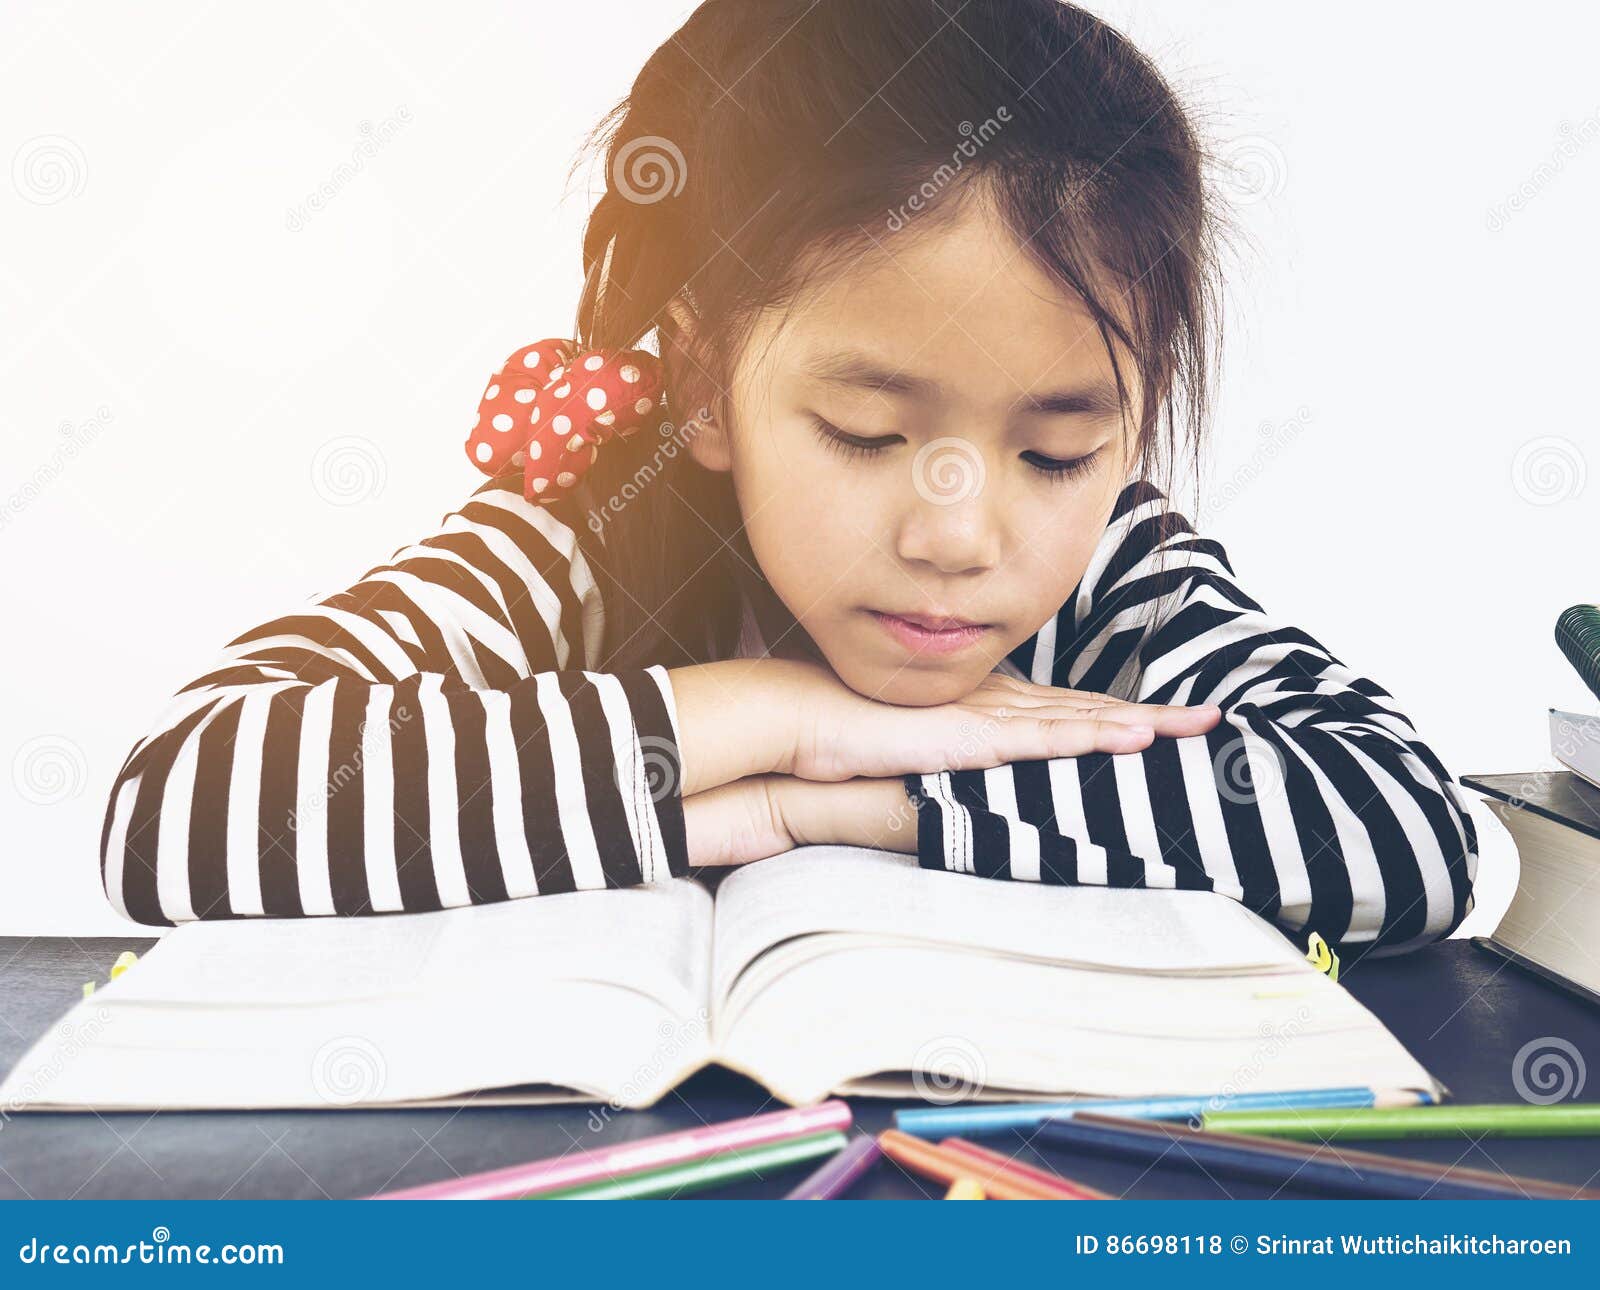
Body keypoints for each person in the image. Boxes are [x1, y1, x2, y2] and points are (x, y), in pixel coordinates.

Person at [100, 0, 1476, 959]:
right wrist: (781, 717)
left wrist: (835, 807)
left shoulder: (1120, 568)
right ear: (704, 384)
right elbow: (180, 802)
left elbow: (1413, 828)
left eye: (1057, 451)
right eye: (869, 434)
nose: (960, 530)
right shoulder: (587, 523)